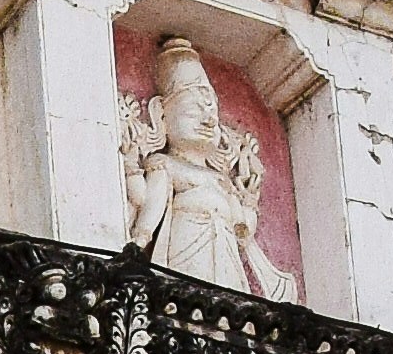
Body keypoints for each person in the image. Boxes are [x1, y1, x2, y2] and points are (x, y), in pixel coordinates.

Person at [121, 42, 296, 302]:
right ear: (162, 115)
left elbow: (243, 231)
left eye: (212, 111)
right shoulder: (166, 165)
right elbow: (149, 205)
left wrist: (249, 197)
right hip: (186, 254)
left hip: (226, 263)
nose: (208, 120)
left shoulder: (221, 180)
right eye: (194, 110)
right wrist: (137, 243)